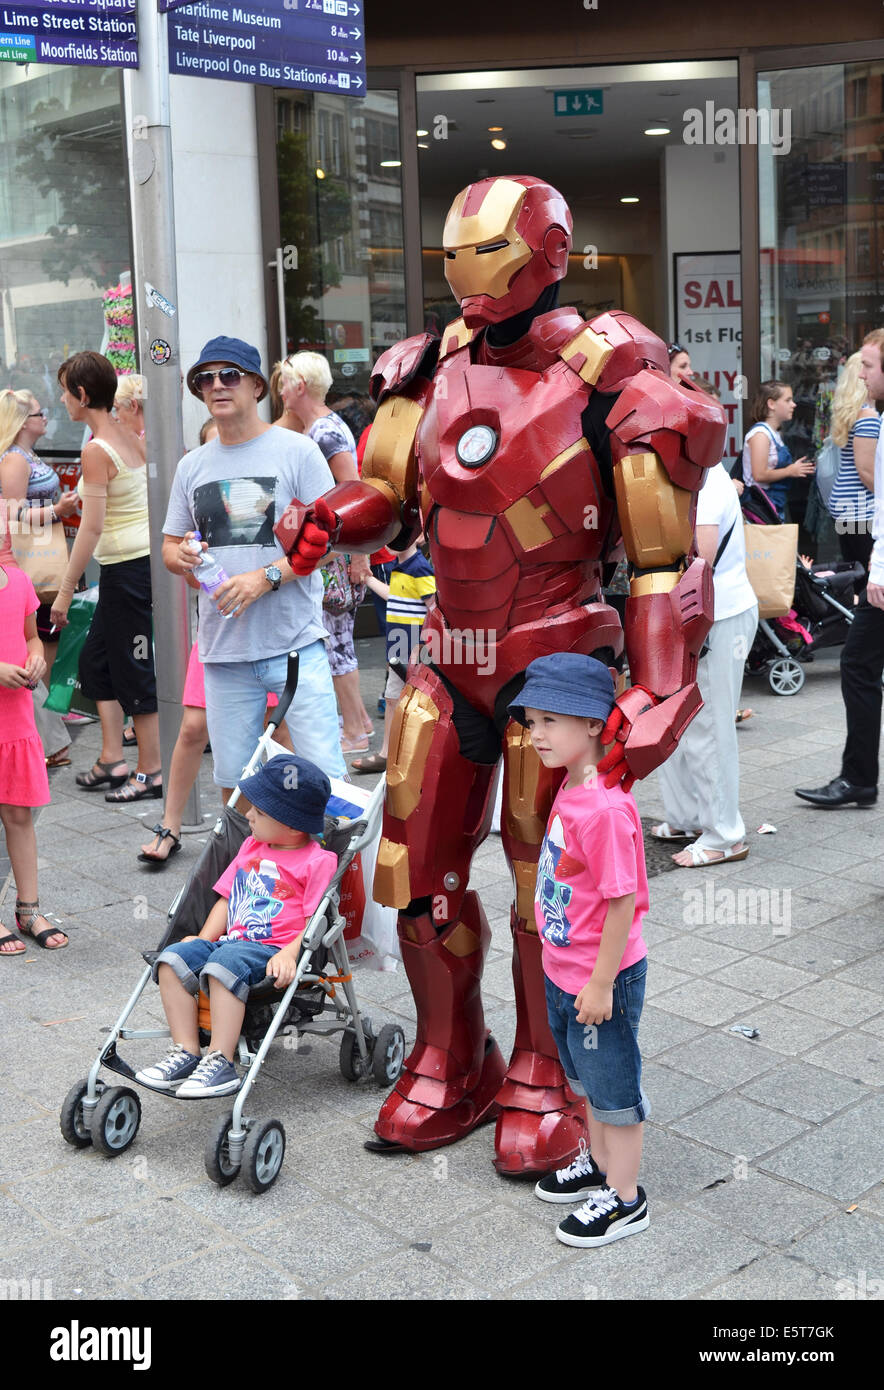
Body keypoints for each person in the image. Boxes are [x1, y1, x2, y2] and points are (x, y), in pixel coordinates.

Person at [161, 336, 346, 801]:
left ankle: (338, 874)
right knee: (234, 782)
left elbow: (328, 545)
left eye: (229, 375)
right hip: (224, 656)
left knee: (326, 777)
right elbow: (169, 545)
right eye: (206, 378)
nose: (216, 386)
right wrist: (179, 556)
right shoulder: (191, 466)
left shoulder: (297, 452)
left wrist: (264, 579)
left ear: (258, 386)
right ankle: (250, 873)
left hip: (295, 646)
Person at [507, 654, 650, 1247]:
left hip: (601, 977)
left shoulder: (607, 809)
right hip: (565, 970)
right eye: (531, 721)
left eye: (550, 720)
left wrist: (598, 982)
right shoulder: (574, 785)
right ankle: (596, 1164)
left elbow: (623, 902)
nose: (535, 734)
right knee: (585, 1079)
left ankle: (624, 1197)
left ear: (594, 723)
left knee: (614, 1090)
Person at [135, 754, 336, 1094]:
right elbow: (227, 900)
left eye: (258, 811)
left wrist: (290, 954)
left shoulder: (317, 861)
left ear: (290, 823)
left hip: (271, 952)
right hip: (229, 943)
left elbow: (315, 919)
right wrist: (199, 939)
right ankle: (186, 1051)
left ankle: (221, 1062)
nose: (247, 815)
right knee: (172, 959)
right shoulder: (250, 846)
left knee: (222, 964)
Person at [49, 352, 161, 801]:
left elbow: (91, 529)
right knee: (96, 663)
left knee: (134, 669)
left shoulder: (97, 448)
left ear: (81, 394)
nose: (61, 401)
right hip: (133, 567)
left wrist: (62, 594)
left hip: (129, 570)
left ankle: (150, 771)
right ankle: (112, 758)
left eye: (64, 391)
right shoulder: (127, 433)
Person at [653, 447, 759, 864]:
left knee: (708, 725)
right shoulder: (690, 472)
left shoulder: (707, 479)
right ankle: (687, 817)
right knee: (675, 718)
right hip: (692, 617)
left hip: (716, 616)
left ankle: (723, 836)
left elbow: (702, 556)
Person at [796, 329, 884, 808]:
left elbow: (879, 489)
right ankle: (858, 777)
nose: (859, 375)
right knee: (859, 661)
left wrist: (880, 569)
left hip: (871, 538)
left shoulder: (870, 421)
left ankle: (859, 778)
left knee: (857, 663)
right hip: (864, 529)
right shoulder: (872, 419)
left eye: (867, 366)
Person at [276, 352, 373, 754]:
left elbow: (355, 493)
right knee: (335, 643)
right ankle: (359, 721)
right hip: (331, 551)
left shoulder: (325, 433)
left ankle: (354, 729)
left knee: (336, 646)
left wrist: (358, 555)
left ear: (300, 386)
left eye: (284, 382)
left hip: (333, 554)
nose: (279, 389)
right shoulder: (320, 428)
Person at [0, 388, 80, 767]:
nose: (45, 417)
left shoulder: (24, 456)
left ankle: (48, 732)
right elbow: (11, 515)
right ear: (21, 422)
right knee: (30, 645)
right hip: (20, 564)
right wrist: (55, 510)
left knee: (38, 645)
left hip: (27, 565)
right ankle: (48, 738)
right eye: (37, 412)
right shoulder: (15, 460)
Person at [0, 513, 67, 955]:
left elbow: (32, 638)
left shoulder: (17, 580)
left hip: (16, 717)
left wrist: (36, 656)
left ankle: (28, 908)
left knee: (20, 814)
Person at [352, 535, 436, 775]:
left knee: (410, 700)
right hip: (400, 648)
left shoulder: (419, 567)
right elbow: (395, 596)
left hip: (412, 649)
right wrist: (368, 578)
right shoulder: (404, 568)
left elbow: (434, 607)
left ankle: (402, 754)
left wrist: (423, 645)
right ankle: (389, 753)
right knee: (393, 699)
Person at [825, 352, 880, 581]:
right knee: (869, 576)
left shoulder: (851, 415)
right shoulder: (867, 416)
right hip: (860, 506)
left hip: (847, 504)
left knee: (856, 573)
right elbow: (866, 470)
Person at [741, 380, 815, 520]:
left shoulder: (773, 433)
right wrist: (790, 471)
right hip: (761, 507)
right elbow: (759, 475)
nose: (793, 404)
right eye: (788, 400)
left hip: (773, 503)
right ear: (771, 404)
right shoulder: (761, 435)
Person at [113, 374, 147, 461]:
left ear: (133, 405)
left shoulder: (147, 445)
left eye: (117, 409)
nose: (116, 417)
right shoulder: (163, 434)